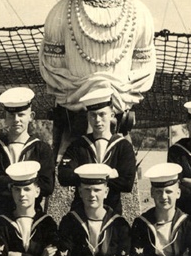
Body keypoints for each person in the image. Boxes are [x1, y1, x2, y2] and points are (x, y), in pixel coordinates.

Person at [40, 0, 156, 158]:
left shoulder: (141, 16)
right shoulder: (60, 14)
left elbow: (143, 73)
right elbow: (54, 74)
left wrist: (112, 104)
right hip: (71, 138)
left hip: (118, 140)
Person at [0, 87, 54, 222]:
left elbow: (47, 186)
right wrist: (14, 183)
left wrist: (4, 184)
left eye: (21, 115)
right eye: (11, 115)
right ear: (5, 117)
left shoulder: (41, 149)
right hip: (0, 217)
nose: (16, 119)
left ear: (31, 117)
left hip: (31, 218)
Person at [58, 87, 136, 215]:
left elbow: (127, 184)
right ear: (88, 116)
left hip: (111, 213)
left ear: (111, 114)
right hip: (80, 212)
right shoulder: (78, 145)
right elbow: (64, 176)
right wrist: (107, 174)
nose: (98, 120)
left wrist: (83, 176)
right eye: (93, 115)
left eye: (102, 114)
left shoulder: (123, 146)